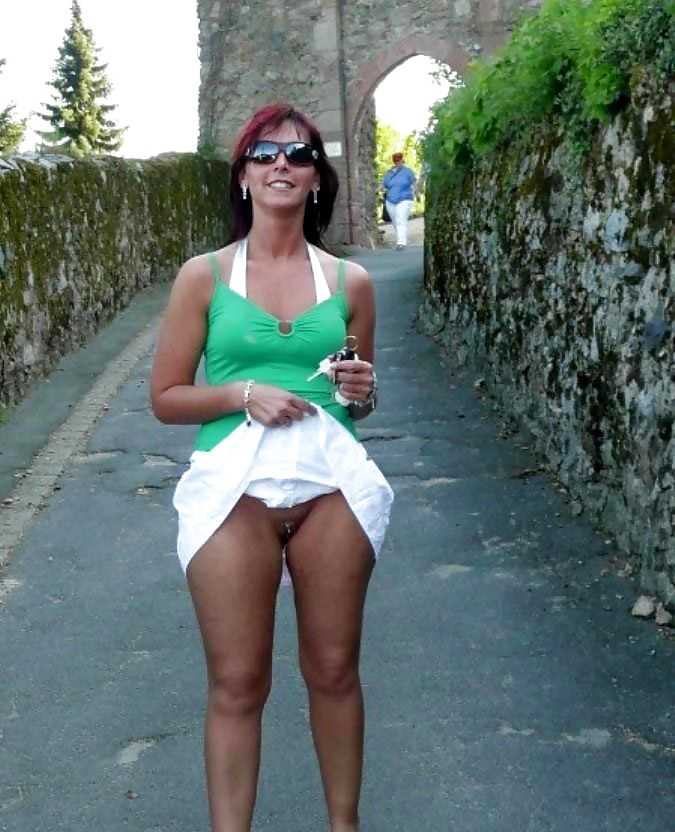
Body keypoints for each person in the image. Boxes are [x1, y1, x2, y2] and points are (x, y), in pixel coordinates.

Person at [150, 102, 393, 832]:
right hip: (234, 492)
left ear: (317, 179)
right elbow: (166, 398)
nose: (280, 163)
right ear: (244, 177)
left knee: (333, 669)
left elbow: (359, 398)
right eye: (263, 153)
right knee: (237, 681)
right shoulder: (203, 277)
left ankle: (344, 826)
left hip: (331, 489)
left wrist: (361, 390)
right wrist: (241, 394)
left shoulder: (351, 282)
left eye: (298, 154)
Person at [382, 152, 416, 250]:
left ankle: (401, 243)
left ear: (402, 160)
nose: (397, 162)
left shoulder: (408, 172)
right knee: (395, 221)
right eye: (395, 160)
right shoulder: (389, 173)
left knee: (400, 219)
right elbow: (384, 184)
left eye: (399, 160)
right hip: (390, 200)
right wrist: (376, 190)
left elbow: (414, 182)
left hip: (404, 198)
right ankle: (401, 239)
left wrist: (415, 192)